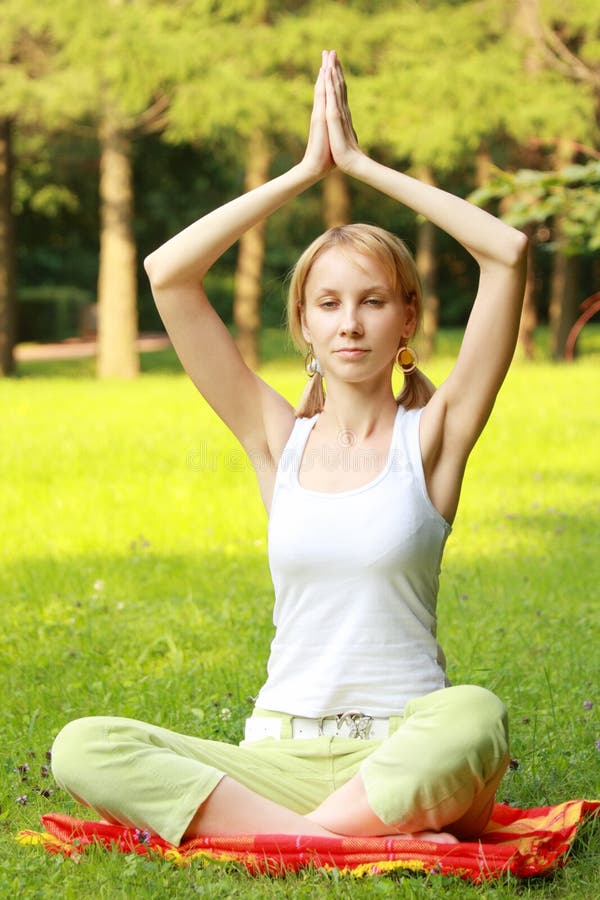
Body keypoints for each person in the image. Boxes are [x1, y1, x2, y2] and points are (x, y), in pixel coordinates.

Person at [51, 51, 527, 847]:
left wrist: (365, 166)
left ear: (405, 318)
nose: (350, 323)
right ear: (303, 322)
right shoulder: (276, 437)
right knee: (84, 745)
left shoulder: (435, 438)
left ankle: (278, 838)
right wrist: (304, 171)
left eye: (373, 302)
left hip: (396, 747)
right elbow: (169, 274)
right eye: (329, 303)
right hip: (276, 751)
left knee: (474, 717)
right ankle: (332, 840)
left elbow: (506, 252)